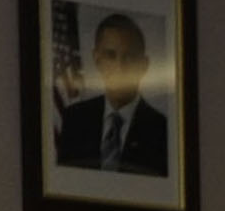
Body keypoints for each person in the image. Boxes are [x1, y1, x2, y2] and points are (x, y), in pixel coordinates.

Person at [53, 14, 168, 178]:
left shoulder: (161, 131)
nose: (120, 67)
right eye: (110, 55)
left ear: (144, 65)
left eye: (129, 57)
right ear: (97, 59)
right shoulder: (75, 120)